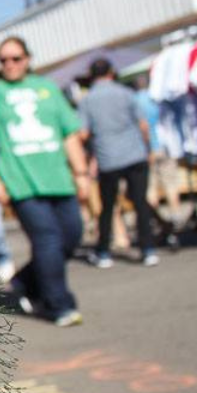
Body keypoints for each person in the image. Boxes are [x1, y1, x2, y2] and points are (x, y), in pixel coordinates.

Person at [0, 37, 87, 328]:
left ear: (28, 58)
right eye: (4, 60)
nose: (10, 65)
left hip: (59, 178)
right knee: (47, 239)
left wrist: (82, 173)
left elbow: (70, 133)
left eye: (16, 58)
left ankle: (24, 280)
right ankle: (58, 304)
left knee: (72, 236)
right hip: (22, 182)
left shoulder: (46, 88)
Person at [78, 58, 158, 268]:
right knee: (140, 203)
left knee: (108, 207)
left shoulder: (87, 100)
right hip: (135, 154)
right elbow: (143, 125)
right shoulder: (126, 93)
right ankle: (148, 250)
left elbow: (83, 133)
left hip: (108, 159)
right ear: (112, 72)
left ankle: (104, 252)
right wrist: (148, 149)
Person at [134, 76, 182, 247]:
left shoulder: (134, 101)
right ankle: (176, 220)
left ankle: (160, 223)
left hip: (145, 149)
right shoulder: (158, 98)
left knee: (150, 190)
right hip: (164, 145)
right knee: (171, 186)